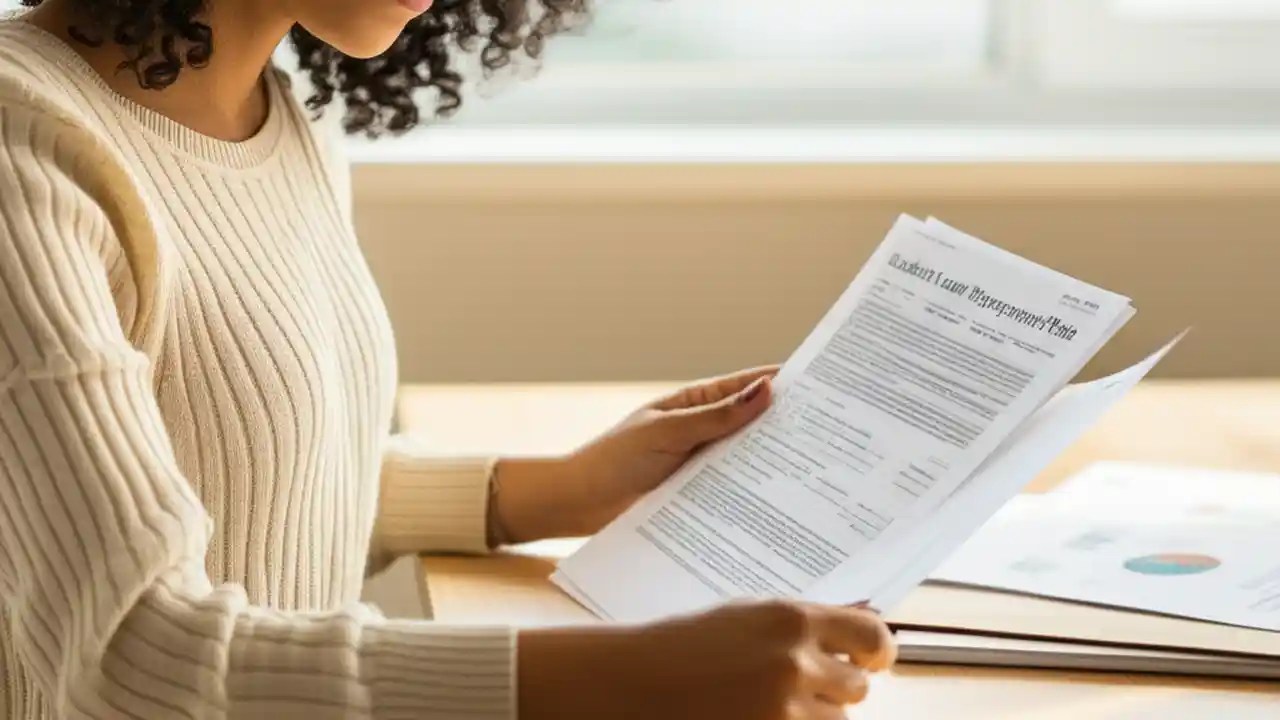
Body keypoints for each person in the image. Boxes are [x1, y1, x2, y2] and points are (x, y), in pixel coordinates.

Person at [0, 1, 896, 718]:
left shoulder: (274, 117)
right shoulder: (27, 149)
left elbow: (238, 474)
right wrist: (632, 678)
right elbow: (128, 652)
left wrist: (559, 487)